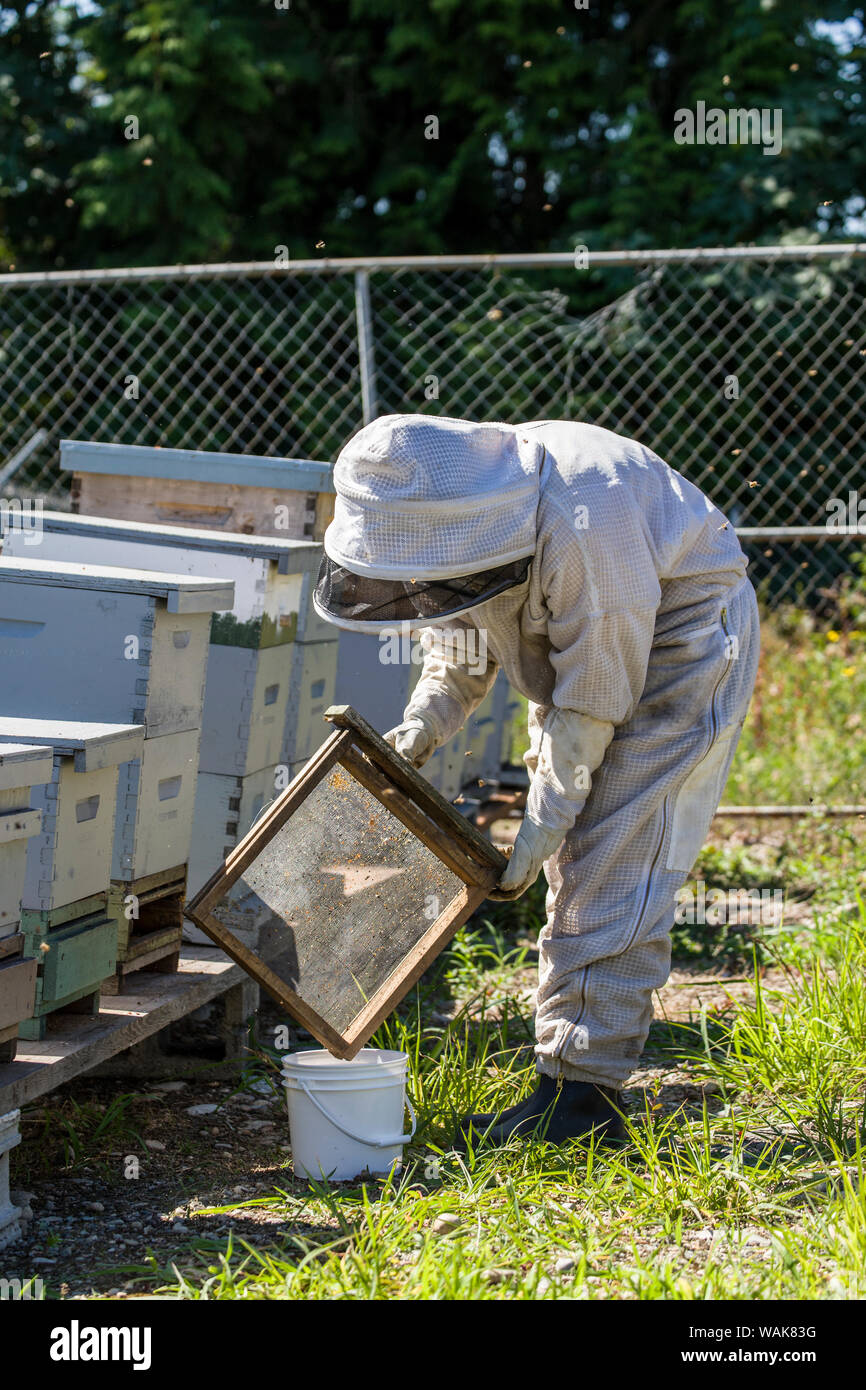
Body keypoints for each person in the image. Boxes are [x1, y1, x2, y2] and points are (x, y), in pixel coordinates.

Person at [313, 414, 759, 1146]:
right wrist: (419, 729)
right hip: (579, 663)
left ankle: (585, 1103)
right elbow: (459, 640)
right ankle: (565, 1077)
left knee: (614, 857)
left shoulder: (588, 520)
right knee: (575, 861)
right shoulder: (466, 506)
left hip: (685, 645)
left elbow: (592, 704)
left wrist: (543, 825)